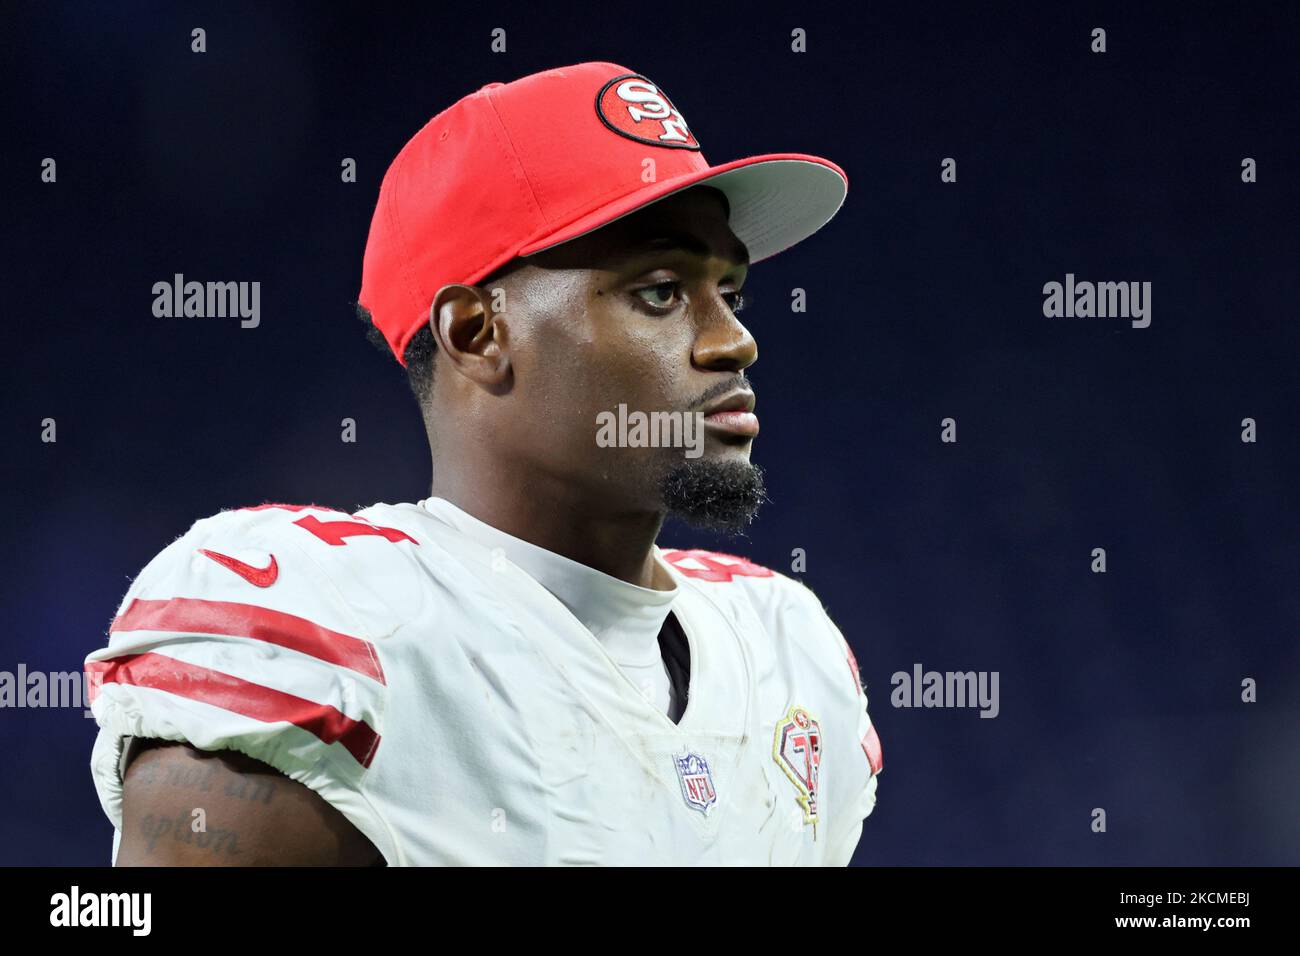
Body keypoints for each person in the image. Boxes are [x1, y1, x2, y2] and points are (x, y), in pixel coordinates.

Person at [85, 61, 882, 865]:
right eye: (662, 290)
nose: (734, 341)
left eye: (731, 293)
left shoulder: (788, 648)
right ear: (476, 334)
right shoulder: (332, 628)